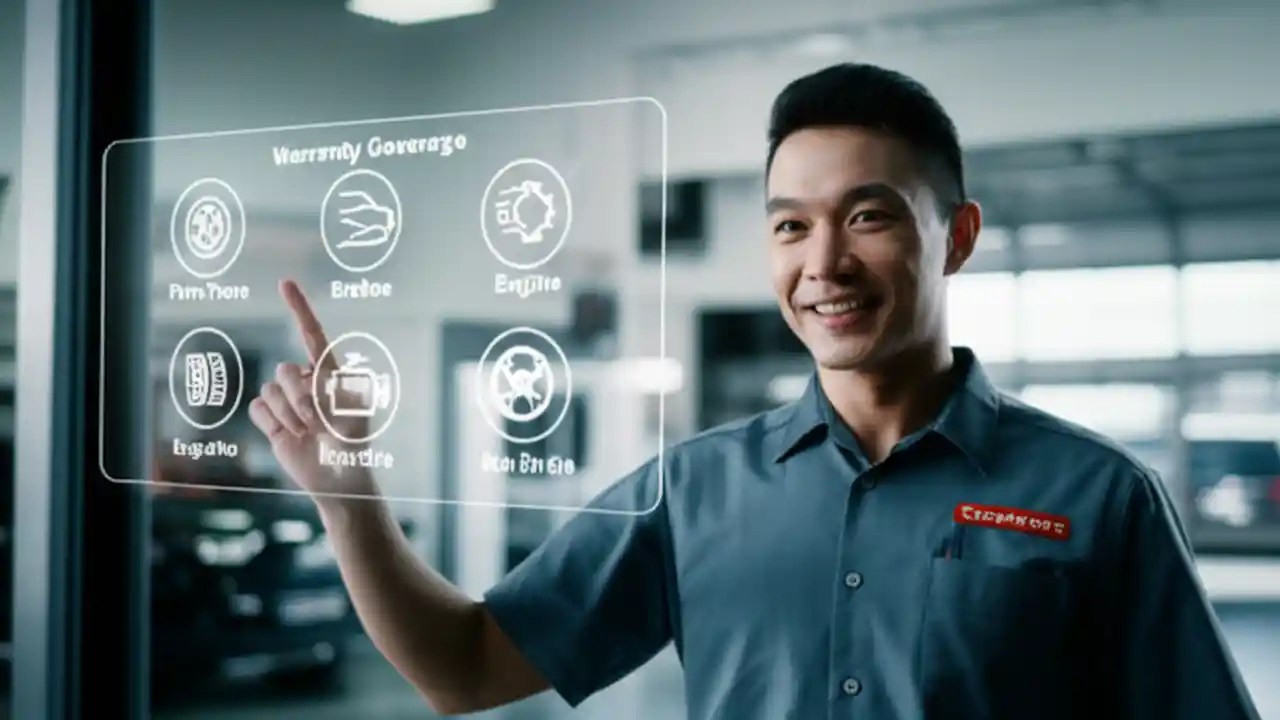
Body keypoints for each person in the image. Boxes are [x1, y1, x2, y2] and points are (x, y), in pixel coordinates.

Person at [249, 63, 1261, 719]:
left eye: (868, 217)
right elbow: (462, 668)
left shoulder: (1096, 497)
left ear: (953, 236)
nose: (823, 262)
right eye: (788, 225)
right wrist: (350, 501)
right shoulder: (691, 493)